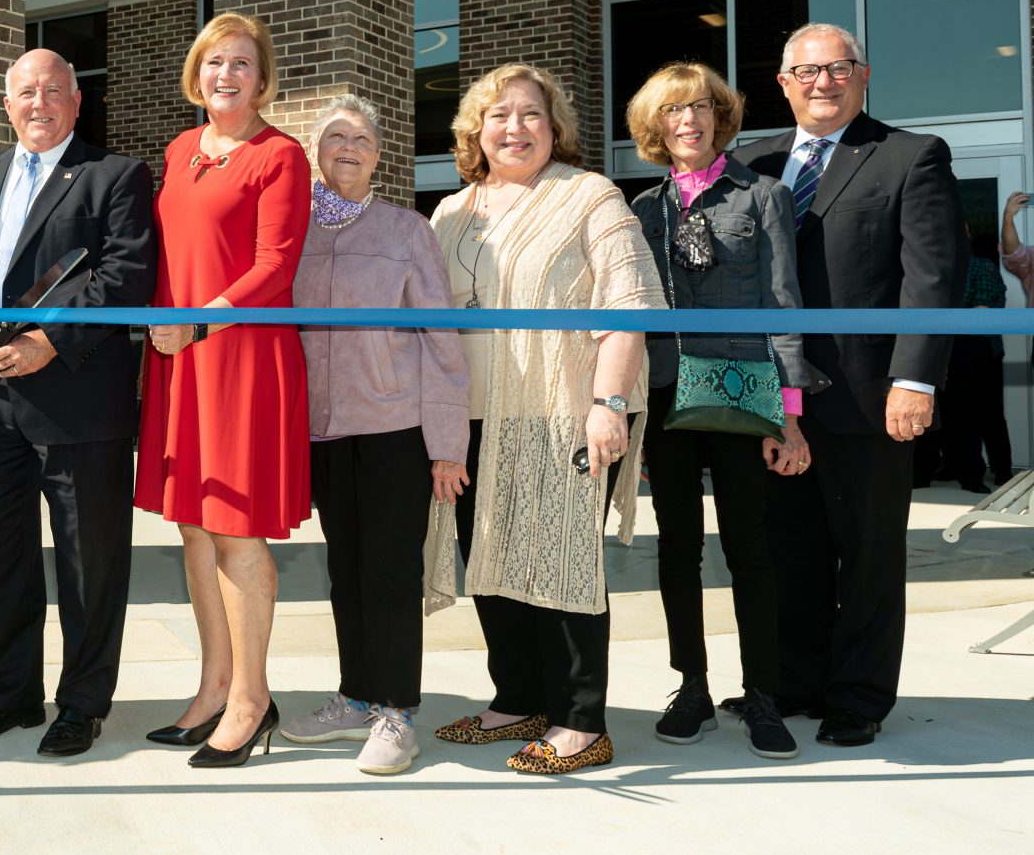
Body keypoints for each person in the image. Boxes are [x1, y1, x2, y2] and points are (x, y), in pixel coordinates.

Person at [426, 63, 662, 775]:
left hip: (564, 414)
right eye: (498, 115)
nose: (514, 127)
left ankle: (581, 720)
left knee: (563, 563)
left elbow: (629, 305)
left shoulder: (590, 196)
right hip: (470, 419)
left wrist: (608, 404)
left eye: (530, 114)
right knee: (491, 560)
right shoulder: (450, 213)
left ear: (554, 126)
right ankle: (518, 696)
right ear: (475, 131)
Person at [733, 23, 963, 747]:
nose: (821, 82)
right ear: (782, 83)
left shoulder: (908, 156)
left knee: (867, 556)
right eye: (805, 71)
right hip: (775, 400)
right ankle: (799, 683)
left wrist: (916, 378)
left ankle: (859, 698)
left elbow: (933, 277)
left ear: (864, 74)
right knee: (789, 551)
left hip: (870, 398)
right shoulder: (751, 163)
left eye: (837, 68)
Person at [0, 49, 155, 758]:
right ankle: (11, 696)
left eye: (55, 90)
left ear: (77, 101)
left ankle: (82, 704)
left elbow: (123, 280)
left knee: (88, 565)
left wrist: (49, 343)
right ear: (8, 103)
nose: (40, 102)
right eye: (27, 91)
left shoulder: (115, 176)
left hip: (76, 401)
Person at [624, 62, 821, 761]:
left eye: (702, 107)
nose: (689, 121)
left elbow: (783, 302)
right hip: (667, 392)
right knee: (677, 546)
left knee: (750, 547)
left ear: (720, 117)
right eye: (674, 110)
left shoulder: (763, 196)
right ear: (656, 125)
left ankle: (762, 695)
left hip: (745, 389)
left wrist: (789, 413)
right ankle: (693, 686)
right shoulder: (641, 210)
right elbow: (628, 319)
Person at [137, 12, 311, 769]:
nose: (226, 75)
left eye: (241, 63)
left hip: (239, 355)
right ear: (196, 73)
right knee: (194, 526)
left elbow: (276, 266)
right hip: (181, 359)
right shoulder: (180, 149)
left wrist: (199, 324)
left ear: (261, 76)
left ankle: (252, 699)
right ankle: (213, 688)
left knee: (238, 528)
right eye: (213, 62)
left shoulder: (281, 156)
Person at [283, 96, 468, 776]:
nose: (349, 146)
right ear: (317, 152)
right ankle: (357, 695)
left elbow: (443, 342)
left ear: (380, 154)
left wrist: (447, 443)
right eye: (335, 136)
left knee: (391, 572)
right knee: (345, 570)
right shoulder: (294, 230)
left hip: (396, 428)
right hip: (325, 430)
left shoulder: (406, 230)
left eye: (362, 137)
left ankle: (399, 713)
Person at [926, 221, 1011, 494]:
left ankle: (995, 472)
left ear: (965, 233)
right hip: (946, 349)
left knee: (984, 414)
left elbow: (982, 310)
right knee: (950, 413)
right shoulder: (933, 269)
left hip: (977, 350)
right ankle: (952, 466)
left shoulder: (979, 265)